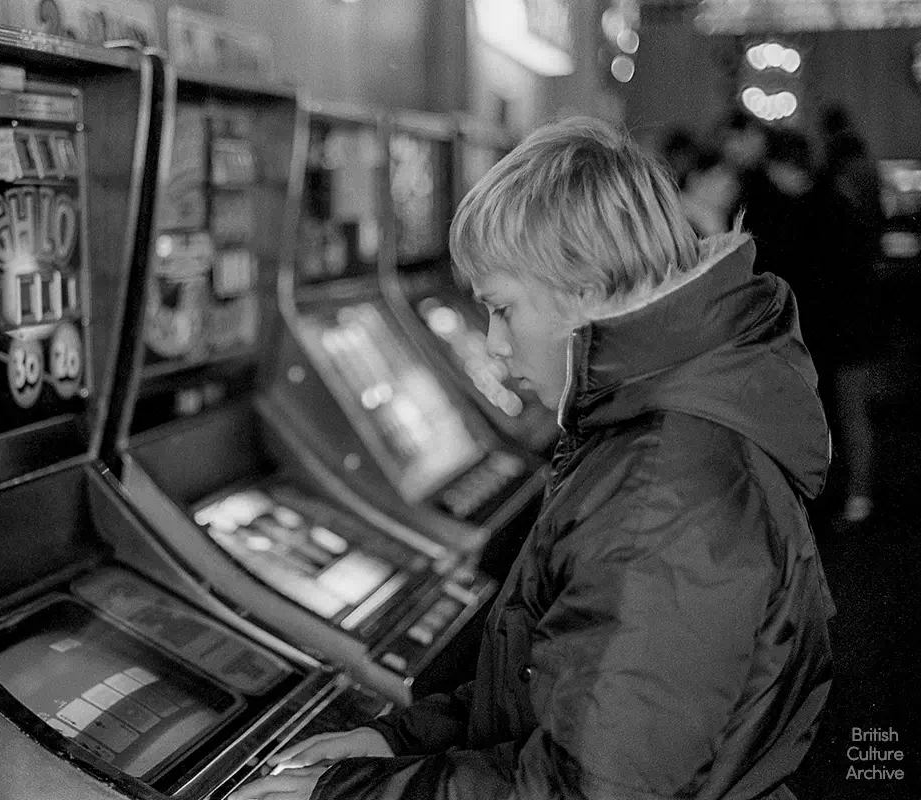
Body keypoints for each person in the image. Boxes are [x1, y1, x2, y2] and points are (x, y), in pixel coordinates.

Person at [230, 117, 835, 800]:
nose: (491, 344)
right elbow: (560, 688)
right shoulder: (644, 430)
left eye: (503, 309)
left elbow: (593, 791)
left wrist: (344, 795)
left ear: (582, 291)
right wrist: (398, 740)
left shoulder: (662, 489)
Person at [810, 103, 884, 524]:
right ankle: (859, 493)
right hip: (861, 319)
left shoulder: (829, 207)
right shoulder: (867, 179)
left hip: (843, 324)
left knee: (847, 411)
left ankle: (854, 494)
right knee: (856, 410)